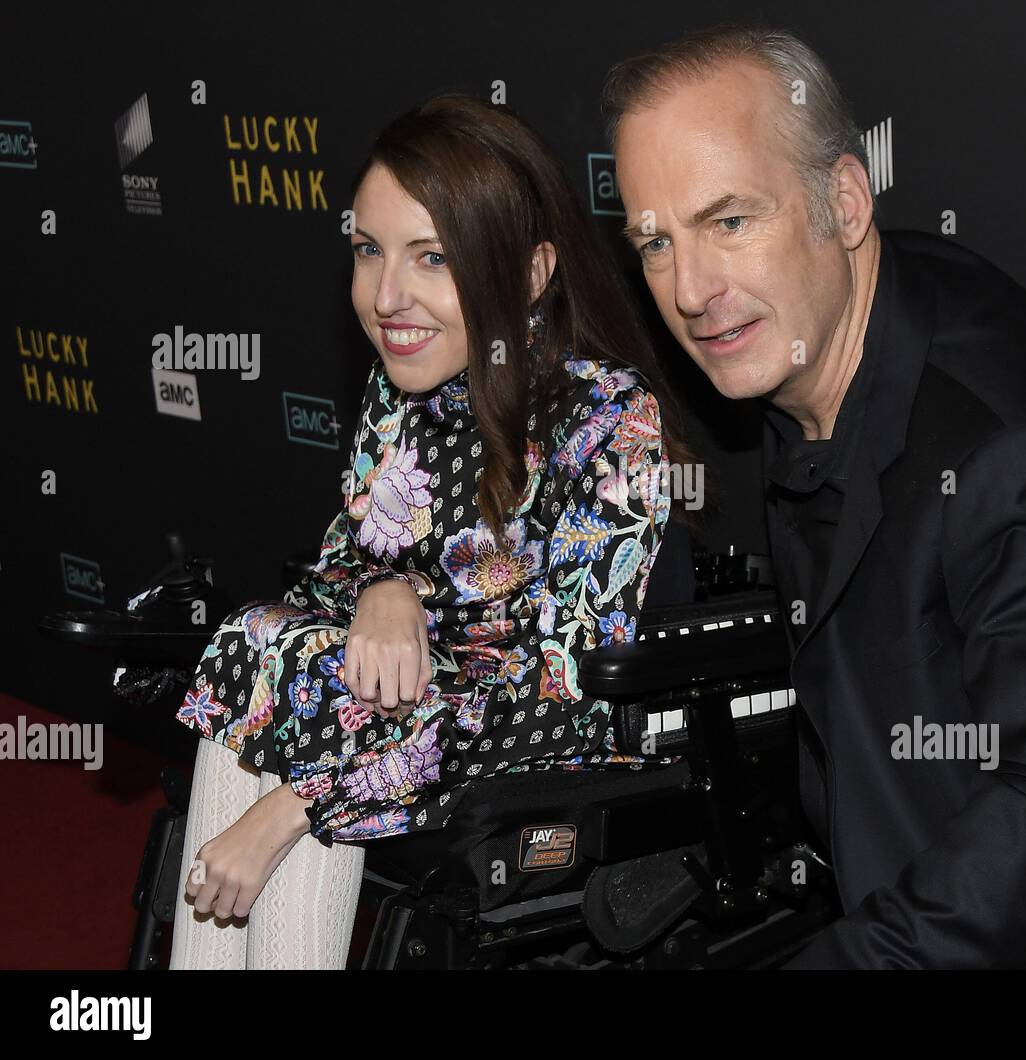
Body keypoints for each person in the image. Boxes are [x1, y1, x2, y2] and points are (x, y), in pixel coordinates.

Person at [602, 24, 1026, 968]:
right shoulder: (806, 342)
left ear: (843, 199)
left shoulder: (1009, 450)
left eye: (730, 221)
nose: (692, 289)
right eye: (655, 242)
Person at [169, 93, 696, 969]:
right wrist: (386, 588)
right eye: (369, 250)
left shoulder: (608, 418)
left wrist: (298, 804)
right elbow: (333, 577)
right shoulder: (402, 388)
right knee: (266, 636)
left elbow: (573, 691)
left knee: (337, 694)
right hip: (401, 715)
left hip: (539, 736)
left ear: (531, 274)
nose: (386, 297)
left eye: (432, 259)